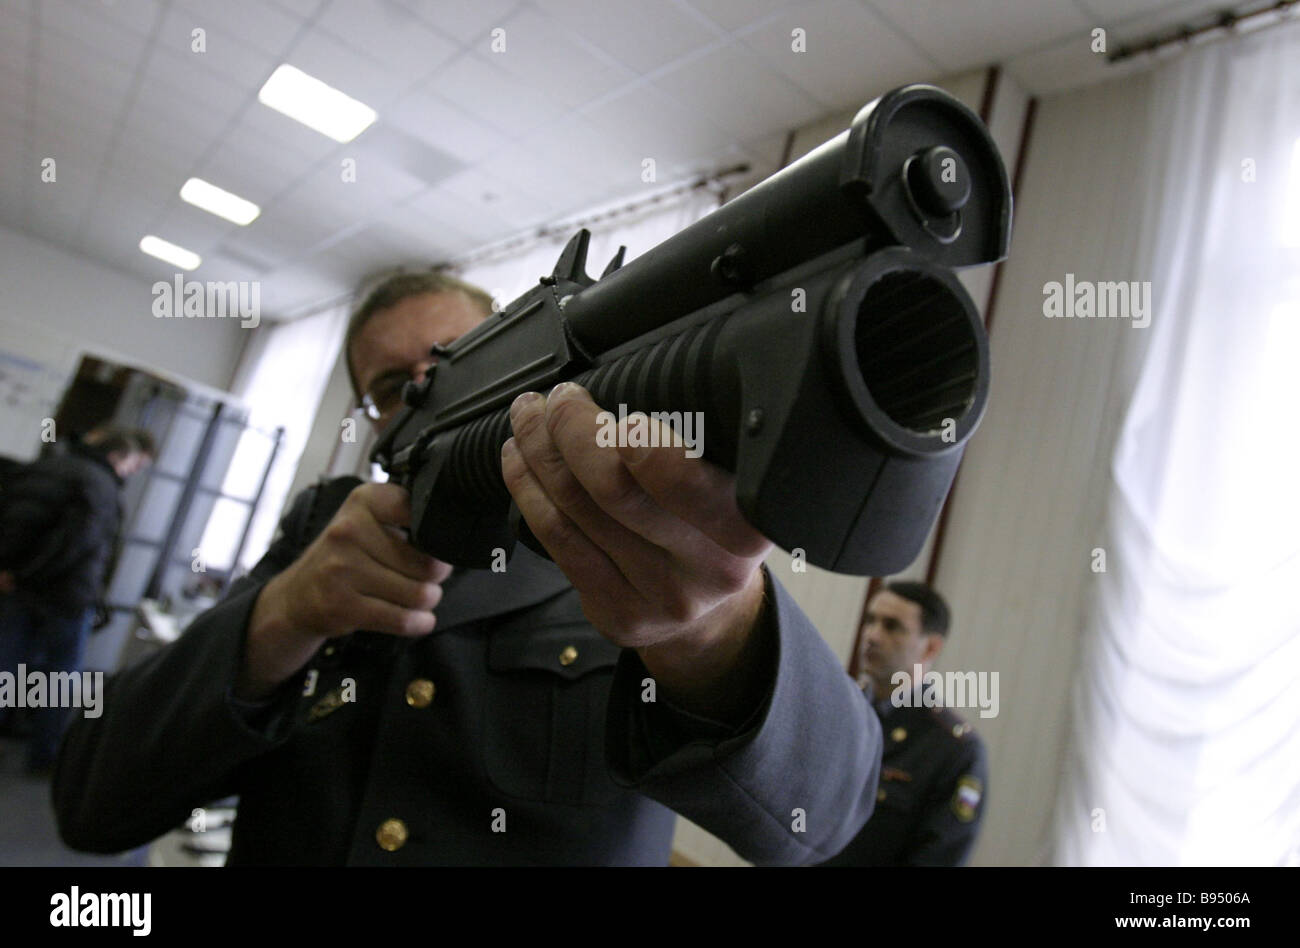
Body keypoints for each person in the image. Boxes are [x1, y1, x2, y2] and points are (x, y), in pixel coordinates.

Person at [52, 272, 882, 865]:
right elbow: (92, 800)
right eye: (390, 387)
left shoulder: (620, 525)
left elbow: (822, 818)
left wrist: (715, 635)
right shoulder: (323, 526)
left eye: (452, 355)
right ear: (374, 424)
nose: (425, 389)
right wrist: (285, 614)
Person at [0, 425, 155, 773]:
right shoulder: (100, 485)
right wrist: (30, 573)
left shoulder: (45, 466)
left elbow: (14, 520)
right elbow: (78, 545)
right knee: (60, 678)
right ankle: (44, 755)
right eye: (132, 465)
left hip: (19, 589)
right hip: (66, 596)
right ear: (117, 456)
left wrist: (12, 569)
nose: (130, 473)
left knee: (5, 667)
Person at [818, 581, 988, 866]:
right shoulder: (835, 712)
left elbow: (939, 857)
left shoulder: (953, 750)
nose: (872, 635)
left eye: (892, 626)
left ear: (930, 647)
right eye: (870, 621)